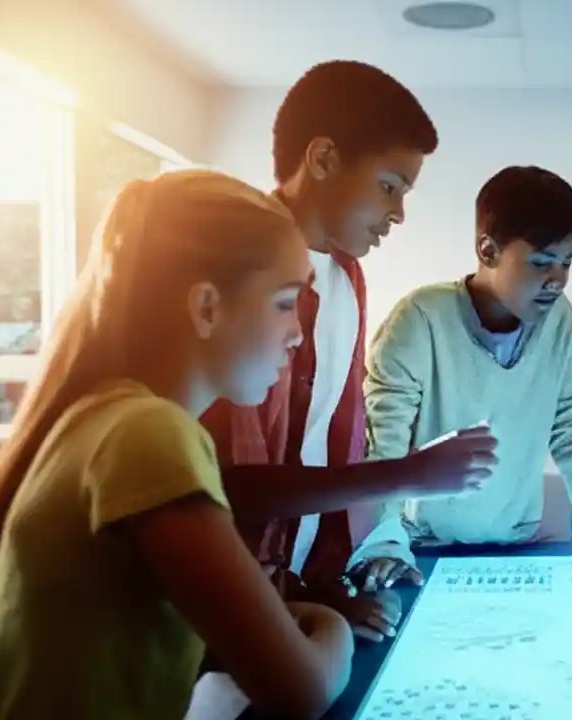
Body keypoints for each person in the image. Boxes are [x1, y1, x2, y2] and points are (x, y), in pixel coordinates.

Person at [0, 172, 352, 718]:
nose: (298, 334)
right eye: (284, 302)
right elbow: (301, 691)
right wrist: (334, 626)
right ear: (206, 308)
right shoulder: (149, 434)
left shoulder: (98, 417)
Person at [200, 60, 498, 644]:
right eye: (389, 185)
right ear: (323, 159)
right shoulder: (238, 270)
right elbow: (229, 486)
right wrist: (406, 474)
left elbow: (331, 446)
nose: (399, 212)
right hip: (220, 608)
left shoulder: (348, 276)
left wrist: (318, 587)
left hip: (288, 591)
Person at [365, 165, 572, 547]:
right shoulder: (421, 318)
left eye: (568, 262)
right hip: (420, 548)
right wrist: (382, 544)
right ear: (488, 250)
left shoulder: (557, 317)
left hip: (513, 543)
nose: (558, 279)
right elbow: (383, 443)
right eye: (541, 262)